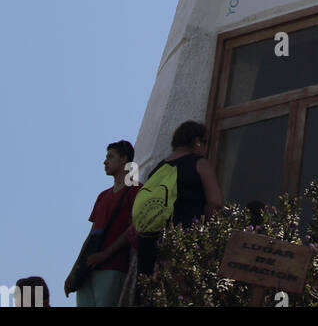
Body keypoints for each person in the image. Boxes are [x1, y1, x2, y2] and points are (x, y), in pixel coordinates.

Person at [136, 121, 223, 277]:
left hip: (148, 243)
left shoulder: (157, 169)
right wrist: (204, 231)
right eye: (205, 143)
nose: (206, 148)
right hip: (181, 240)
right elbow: (215, 202)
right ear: (197, 141)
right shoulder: (200, 163)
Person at [64, 140, 139, 307]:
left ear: (124, 159)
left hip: (113, 266)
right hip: (88, 268)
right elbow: (92, 235)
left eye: (111, 156)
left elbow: (133, 229)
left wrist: (105, 254)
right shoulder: (102, 196)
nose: (105, 161)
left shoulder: (136, 190)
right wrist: (74, 269)